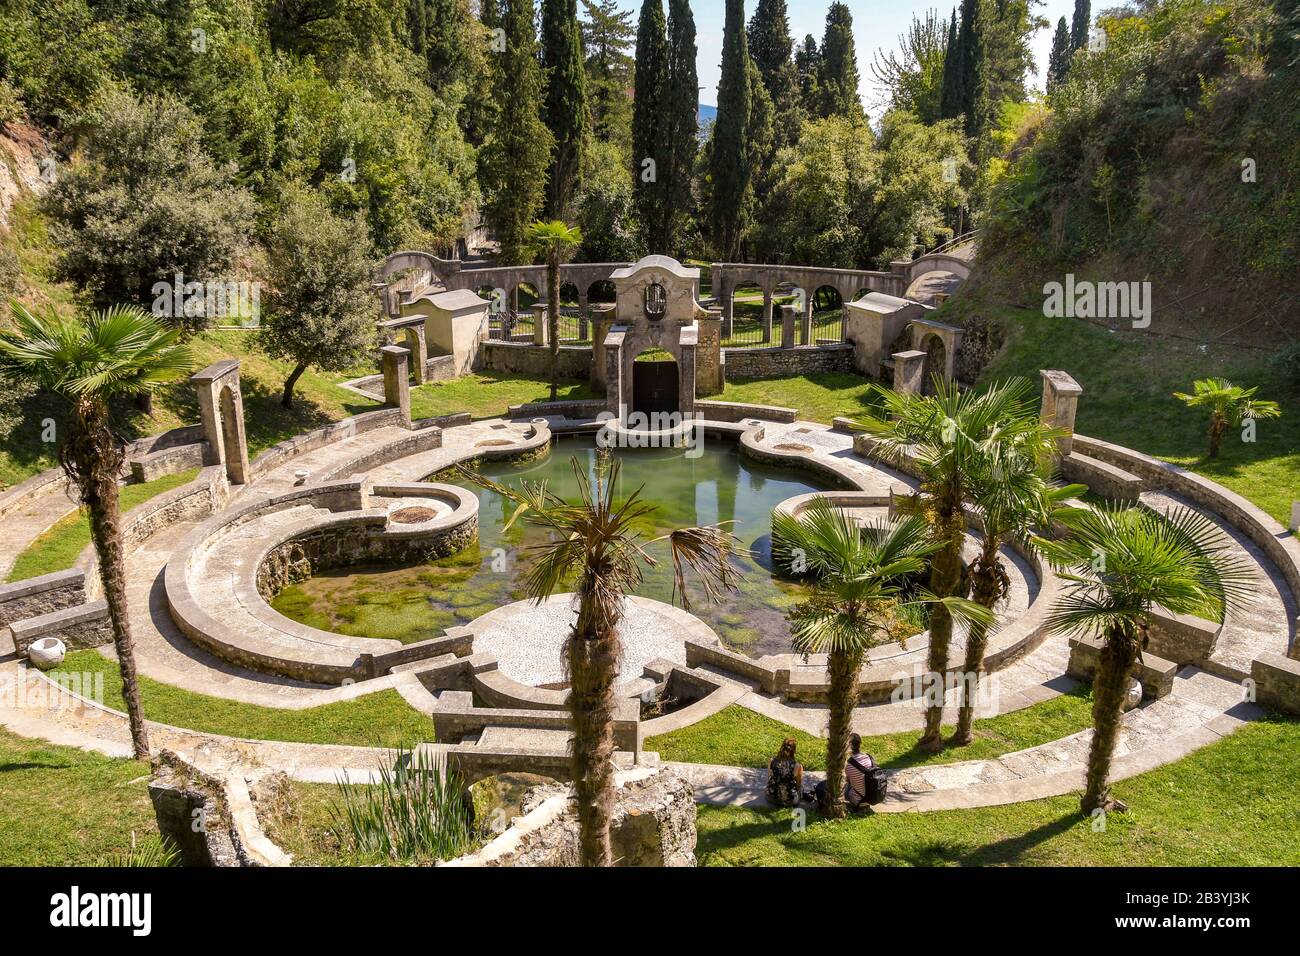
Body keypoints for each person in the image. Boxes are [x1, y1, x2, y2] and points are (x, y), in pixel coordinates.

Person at [815, 733, 879, 812]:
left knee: (833, 785)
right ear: (860, 744)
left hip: (858, 800)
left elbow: (845, 781)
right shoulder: (869, 757)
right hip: (872, 797)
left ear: (847, 746)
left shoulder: (848, 764)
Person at [766, 737, 804, 807]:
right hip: (789, 800)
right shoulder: (797, 765)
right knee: (801, 787)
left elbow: (769, 777)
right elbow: (798, 784)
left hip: (771, 797)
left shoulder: (772, 761)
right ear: (794, 750)